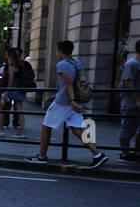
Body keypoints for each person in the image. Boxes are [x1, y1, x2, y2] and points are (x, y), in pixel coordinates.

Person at [27, 39, 107, 168]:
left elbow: (68, 83)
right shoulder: (77, 63)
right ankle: (97, 154)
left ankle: (41, 156)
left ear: (60, 51)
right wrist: (65, 97)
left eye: (57, 50)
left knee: (46, 126)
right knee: (77, 129)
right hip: (72, 101)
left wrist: (71, 100)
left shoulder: (62, 64)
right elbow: (71, 84)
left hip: (65, 102)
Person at [120, 40, 140, 162]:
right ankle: (124, 153)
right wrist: (137, 100)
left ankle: (137, 152)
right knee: (128, 128)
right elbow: (128, 82)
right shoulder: (132, 64)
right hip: (131, 103)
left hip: (136, 102)